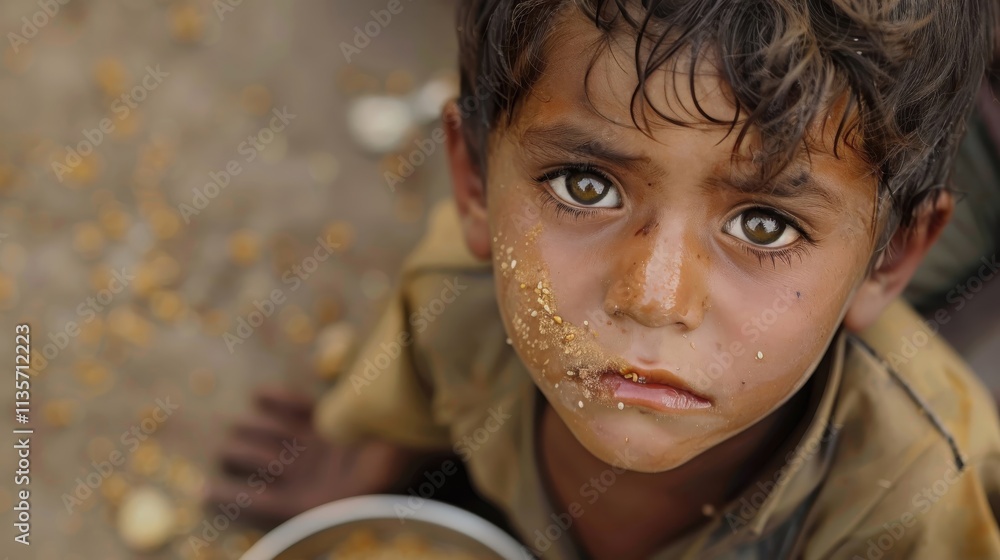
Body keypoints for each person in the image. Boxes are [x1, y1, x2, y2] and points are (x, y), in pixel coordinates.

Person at [211, 1, 1000, 557]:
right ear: (476, 182)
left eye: (764, 225)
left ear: (891, 259)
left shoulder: (913, 494)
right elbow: (414, 380)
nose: (654, 298)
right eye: (586, 186)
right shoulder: (457, 297)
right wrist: (370, 474)